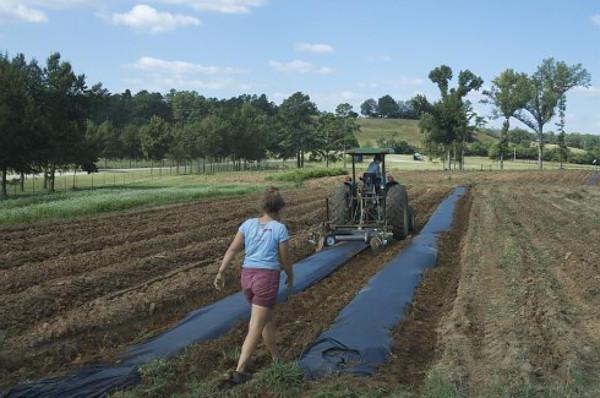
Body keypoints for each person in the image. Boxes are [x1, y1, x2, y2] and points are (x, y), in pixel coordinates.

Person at [214, 187, 293, 385]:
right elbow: (285, 258)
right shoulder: (279, 228)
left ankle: (276, 357)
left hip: (247, 277)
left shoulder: (248, 224)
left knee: (267, 319)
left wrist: (221, 272)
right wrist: (290, 275)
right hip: (266, 279)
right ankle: (240, 371)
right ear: (280, 207)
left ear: (263, 206)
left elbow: (232, 249)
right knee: (256, 326)